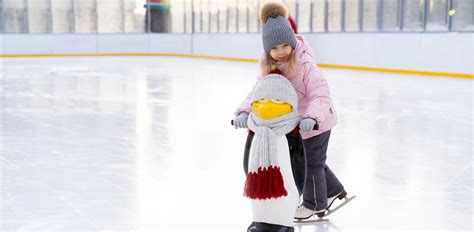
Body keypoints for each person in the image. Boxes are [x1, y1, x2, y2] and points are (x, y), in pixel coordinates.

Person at [233, 2, 347, 219]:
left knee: (312, 163)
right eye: (274, 48)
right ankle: (333, 190)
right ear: (268, 50)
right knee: (316, 160)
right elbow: (258, 92)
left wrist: (313, 116)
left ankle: (315, 205)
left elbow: (320, 94)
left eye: (285, 45)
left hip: (317, 122)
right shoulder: (271, 68)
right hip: (299, 123)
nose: (281, 52)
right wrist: (243, 112)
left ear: (293, 42)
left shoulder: (304, 64)